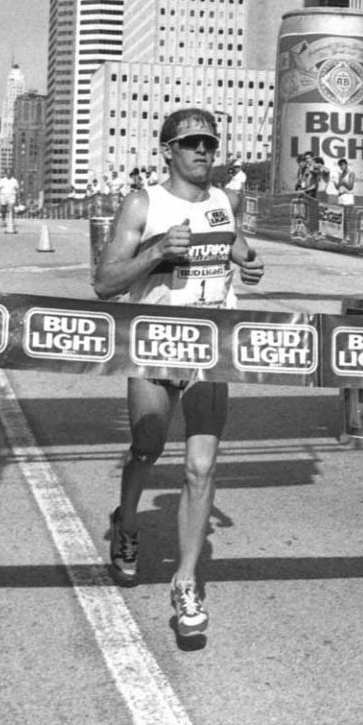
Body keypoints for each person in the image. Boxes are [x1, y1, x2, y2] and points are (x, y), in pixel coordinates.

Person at [92, 109, 264, 637]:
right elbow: (104, 283)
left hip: (211, 349)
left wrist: (249, 263)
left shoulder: (224, 201)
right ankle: (127, 521)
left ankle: (185, 583)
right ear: (167, 150)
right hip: (152, 346)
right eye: (191, 144)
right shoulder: (144, 203)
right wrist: (157, 250)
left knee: (201, 468)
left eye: (209, 144)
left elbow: (236, 248)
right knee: (146, 447)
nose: (202, 152)